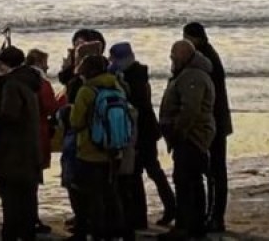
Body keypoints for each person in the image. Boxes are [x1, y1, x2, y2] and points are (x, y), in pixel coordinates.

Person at [110, 42, 176, 231]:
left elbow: (135, 103)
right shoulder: (137, 73)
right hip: (146, 130)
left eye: (113, 58)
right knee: (151, 170)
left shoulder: (131, 77)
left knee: (140, 172)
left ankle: (143, 215)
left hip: (141, 131)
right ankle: (169, 206)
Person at [158, 39, 215, 241]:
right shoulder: (188, 74)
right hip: (191, 137)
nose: (171, 59)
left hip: (192, 138)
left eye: (174, 56)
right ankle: (194, 226)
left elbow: (190, 110)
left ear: (184, 56)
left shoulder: (193, 76)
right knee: (191, 182)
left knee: (186, 182)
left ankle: (186, 227)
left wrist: (177, 132)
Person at [69, 55, 128, 241]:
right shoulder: (117, 87)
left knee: (91, 197)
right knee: (111, 194)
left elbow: (76, 122)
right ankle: (116, 232)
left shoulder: (86, 91)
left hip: (90, 151)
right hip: (114, 150)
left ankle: (96, 233)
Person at [0, 46, 43, 241]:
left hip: (12, 155)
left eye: (0, 63)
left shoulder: (11, 85)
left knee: (11, 205)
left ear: (7, 64)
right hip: (29, 152)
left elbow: (9, 115)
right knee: (27, 203)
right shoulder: (30, 82)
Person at [182, 22, 231, 233]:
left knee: (215, 172)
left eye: (187, 38)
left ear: (196, 38)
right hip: (218, 120)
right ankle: (214, 216)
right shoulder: (210, 56)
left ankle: (215, 216)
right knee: (215, 171)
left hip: (213, 122)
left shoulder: (204, 60)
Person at [26, 49, 58, 236]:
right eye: (45, 62)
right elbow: (49, 106)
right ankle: (32, 218)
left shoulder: (18, 80)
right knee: (33, 180)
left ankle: (24, 217)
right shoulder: (41, 83)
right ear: (38, 62)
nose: (47, 66)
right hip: (39, 133)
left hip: (24, 135)